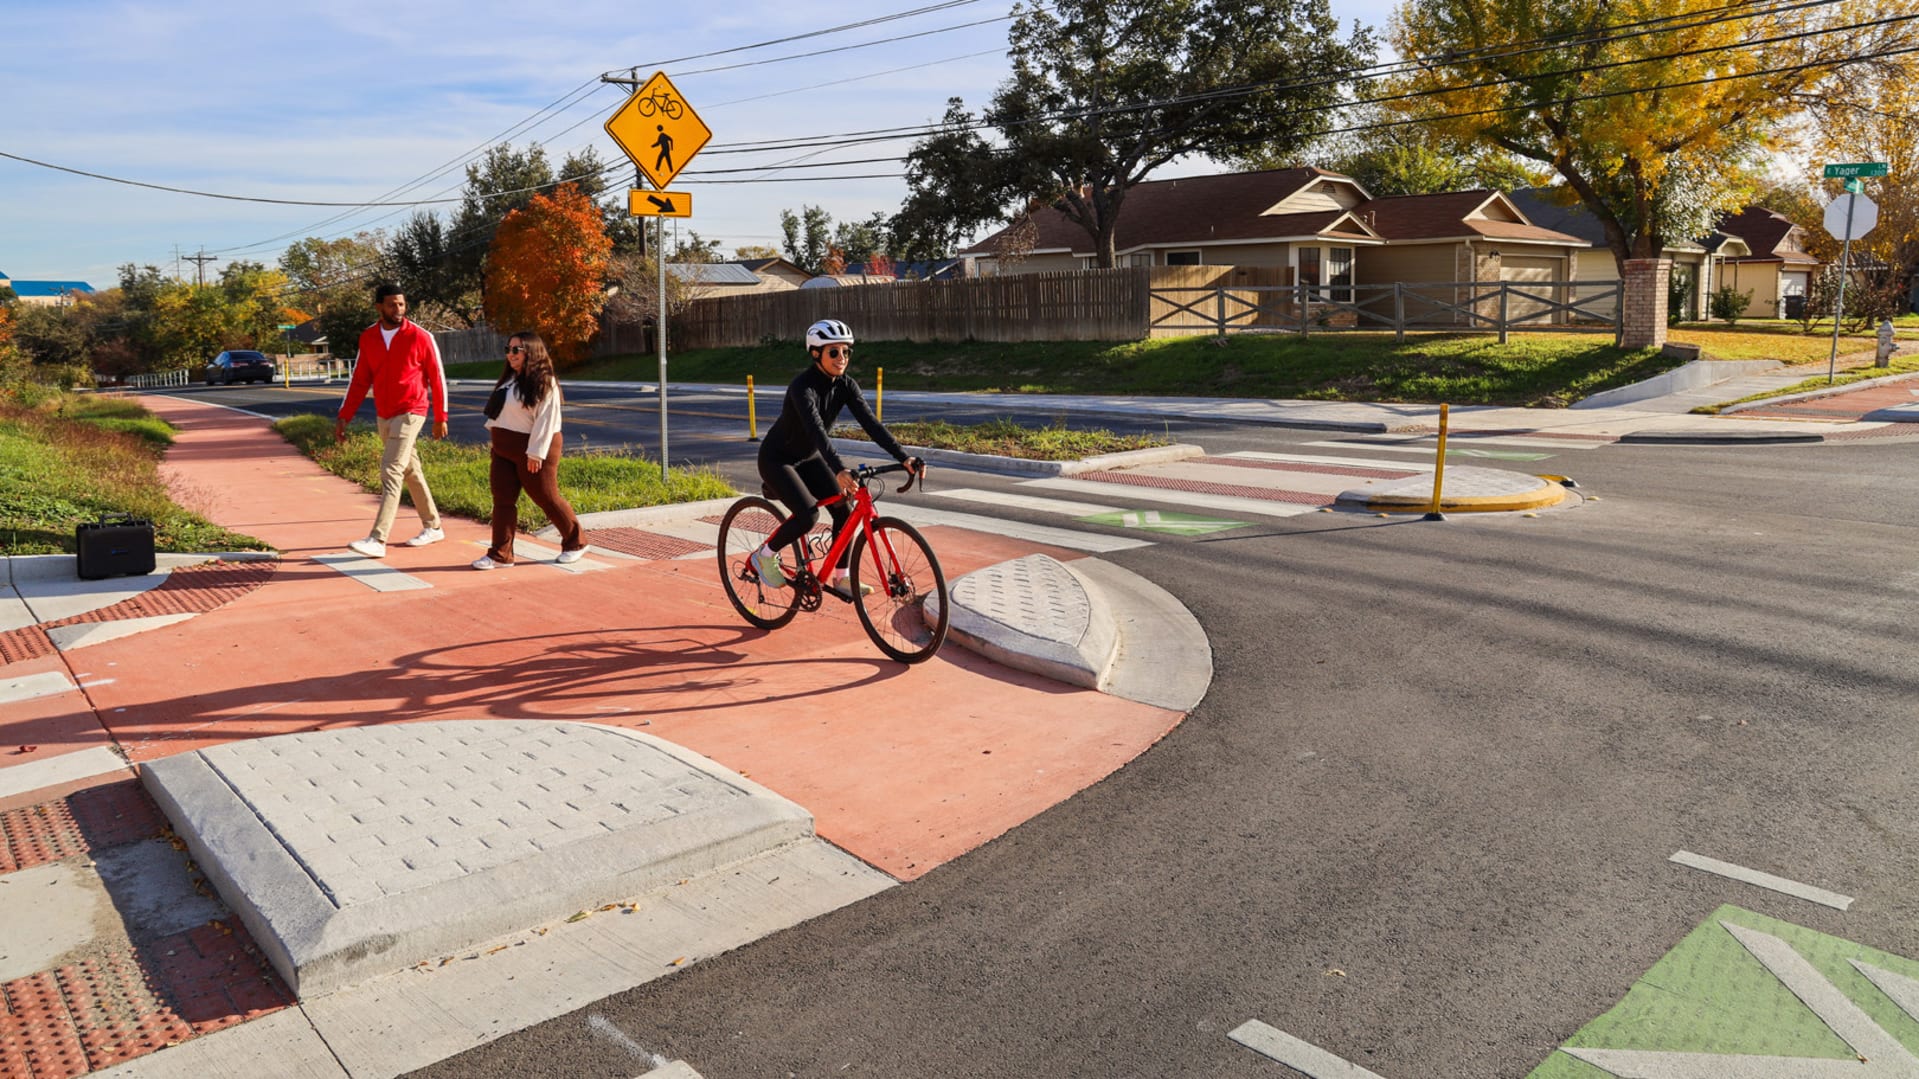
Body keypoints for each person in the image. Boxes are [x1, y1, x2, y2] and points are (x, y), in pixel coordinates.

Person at [752, 319, 922, 601]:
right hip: (776, 459)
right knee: (808, 516)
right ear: (816, 353)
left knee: (844, 509)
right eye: (834, 352)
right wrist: (839, 469)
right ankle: (765, 555)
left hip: (807, 458)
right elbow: (816, 431)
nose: (842, 358)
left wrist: (904, 457)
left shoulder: (846, 385)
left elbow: (871, 423)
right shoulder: (802, 387)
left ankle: (841, 577)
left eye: (846, 352)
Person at [335, 283, 448, 558]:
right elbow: (360, 380)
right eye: (391, 304)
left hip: (412, 409)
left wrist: (440, 416)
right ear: (379, 307)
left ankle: (378, 538)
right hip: (384, 412)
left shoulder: (420, 336)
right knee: (409, 469)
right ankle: (433, 526)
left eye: (401, 304)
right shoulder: (368, 338)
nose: (398, 309)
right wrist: (344, 416)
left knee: (391, 469)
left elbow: (437, 377)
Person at [474, 331, 587, 570]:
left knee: (546, 497)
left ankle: (575, 542)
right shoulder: (509, 379)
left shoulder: (545, 382)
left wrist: (535, 453)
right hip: (503, 449)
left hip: (533, 450)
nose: (510, 354)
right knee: (503, 500)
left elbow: (546, 421)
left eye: (516, 350)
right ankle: (500, 554)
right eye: (508, 349)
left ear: (531, 352)